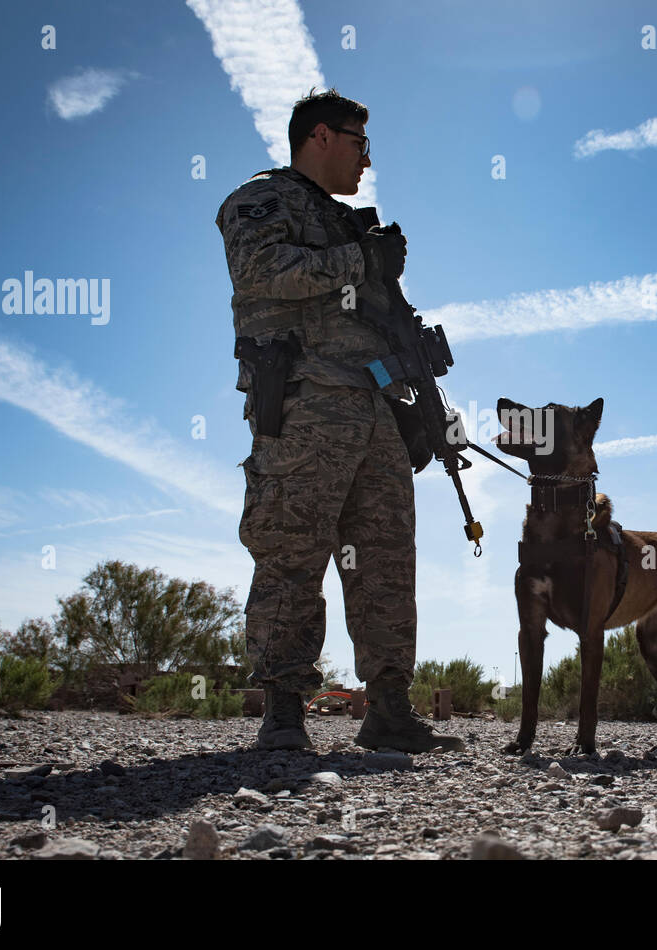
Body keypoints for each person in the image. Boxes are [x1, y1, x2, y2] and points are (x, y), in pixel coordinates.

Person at [214, 88, 463, 754]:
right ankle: (284, 709)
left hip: (377, 407)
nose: (367, 158)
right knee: (291, 551)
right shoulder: (261, 199)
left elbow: (387, 322)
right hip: (304, 402)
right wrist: (362, 262)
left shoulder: (354, 224)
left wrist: (425, 402)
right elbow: (262, 271)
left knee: (385, 560)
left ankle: (389, 707)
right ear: (321, 137)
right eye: (359, 142)